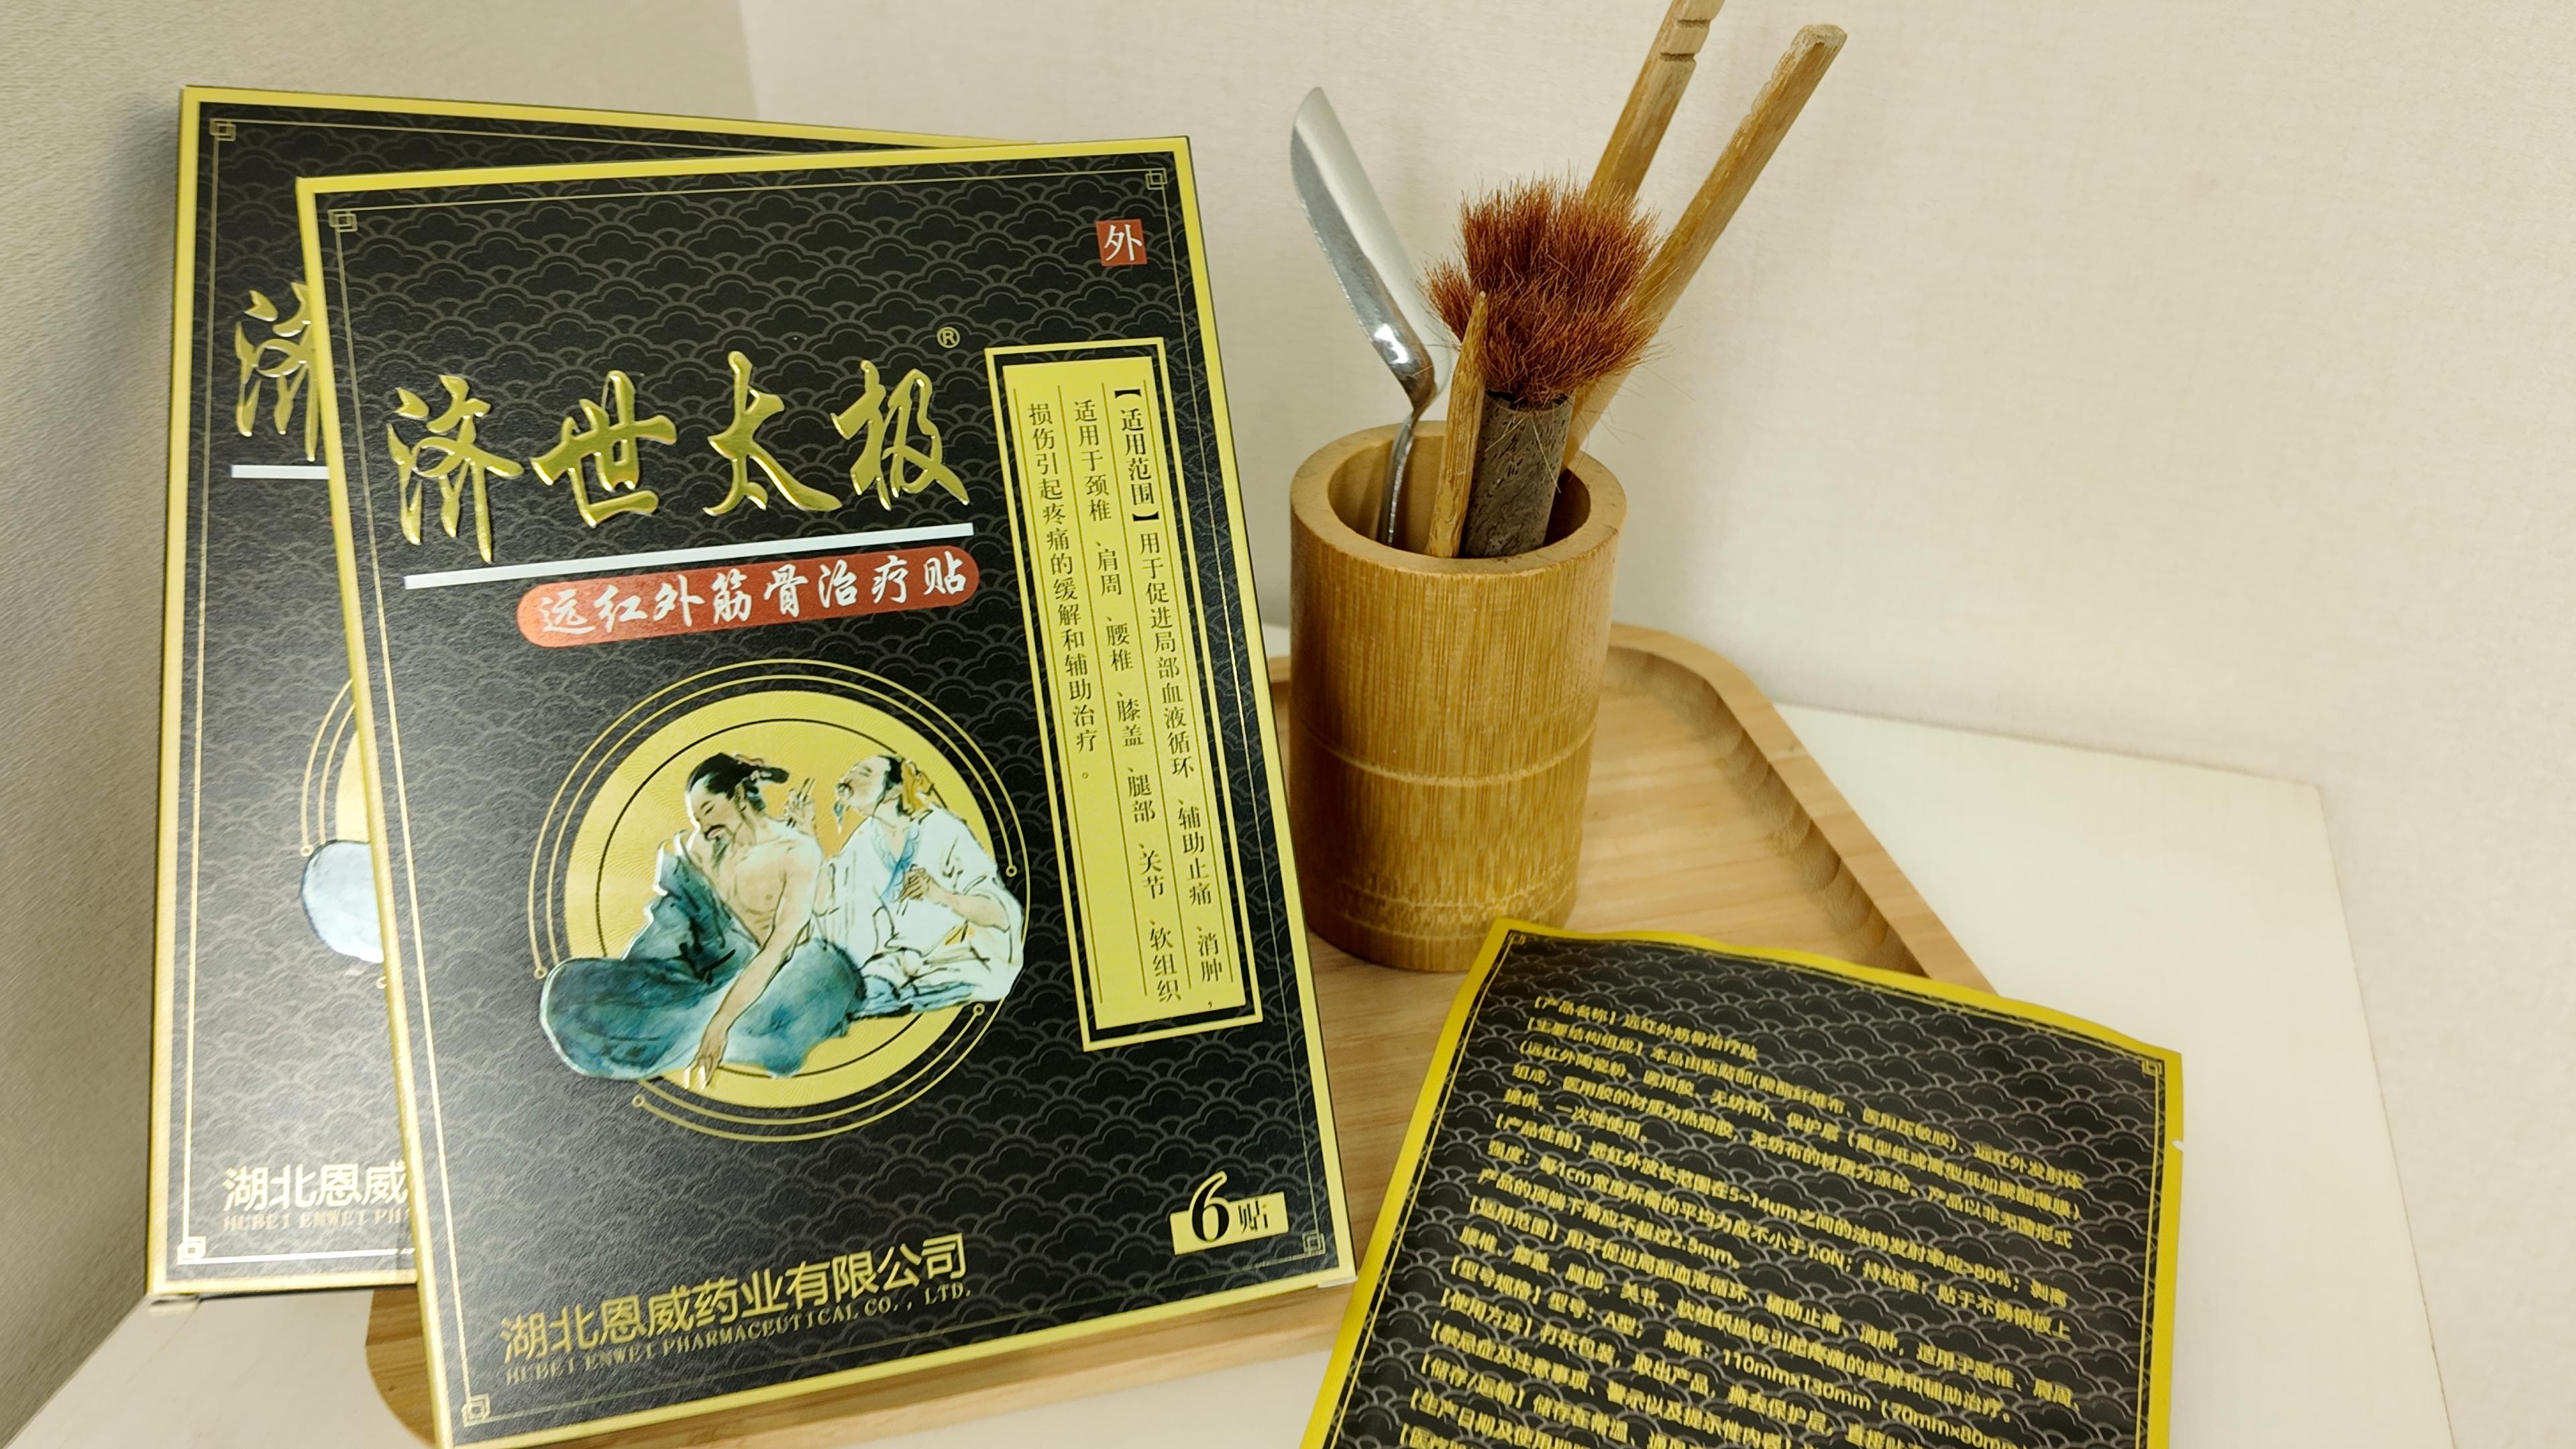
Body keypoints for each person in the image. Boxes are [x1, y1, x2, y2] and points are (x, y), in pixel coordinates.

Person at [542, 753, 914, 1087]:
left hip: (772, 976)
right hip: (704, 972)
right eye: (696, 818)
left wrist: (721, 1022)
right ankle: (676, 1022)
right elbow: (677, 924)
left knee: (810, 986)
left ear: (736, 795)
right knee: (578, 988)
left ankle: (693, 1032)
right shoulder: (703, 848)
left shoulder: (797, 851)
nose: (704, 827)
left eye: (707, 810)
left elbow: (779, 948)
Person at [817, 754, 1024, 1007]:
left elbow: (1000, 913)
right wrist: (804, 835)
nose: (848, 778)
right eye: (851, 771)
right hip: (872, 965)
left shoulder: (943, 829)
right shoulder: (865, 838)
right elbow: (827, 902)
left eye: (864, 773)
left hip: (935, 965)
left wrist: (940, 895)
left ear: (894, 790)